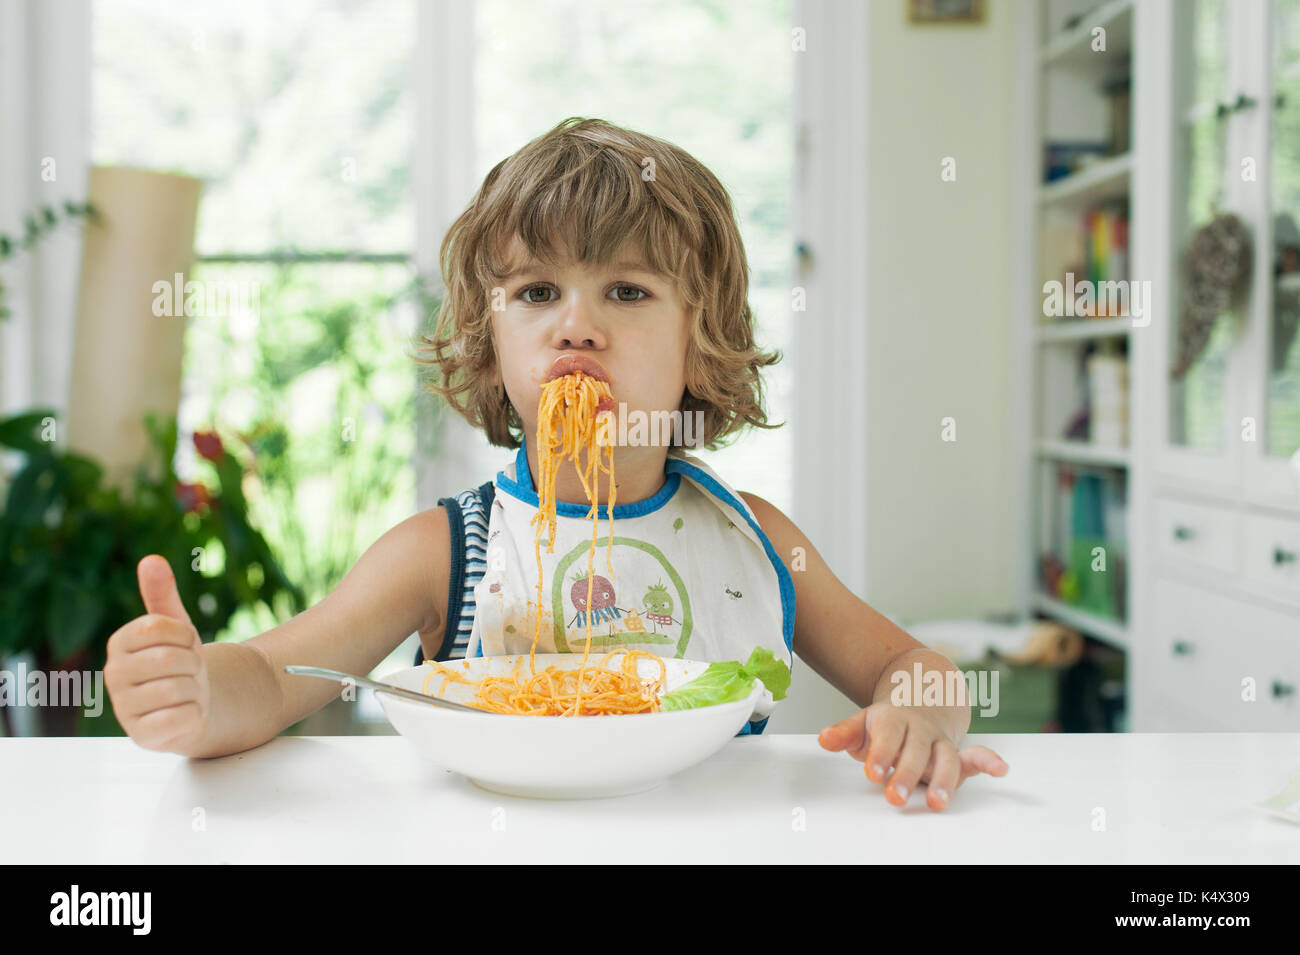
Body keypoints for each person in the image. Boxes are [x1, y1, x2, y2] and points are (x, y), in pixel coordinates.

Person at [105, 117, 1008, 811]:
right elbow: (273, 680)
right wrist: (192, 693)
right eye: (537, 291)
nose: (577, 322)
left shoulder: (753, 538)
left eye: (627, 289)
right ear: (490, 345)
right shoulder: (444, 552)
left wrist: (919, 718)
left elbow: (912, 666)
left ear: (701, 343)